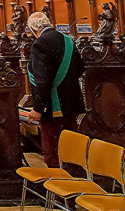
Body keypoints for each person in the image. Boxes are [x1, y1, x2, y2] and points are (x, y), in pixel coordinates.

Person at [26, 11, 85, 168]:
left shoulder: (40, 44)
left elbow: (42, 80)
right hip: (72, 103)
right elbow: (80, 69)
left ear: (32, 29)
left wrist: (38, 108)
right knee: (72, 148)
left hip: (53, 106)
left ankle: (57, 186)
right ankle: (74, 184)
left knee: (52, 151)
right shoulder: (68, 40)